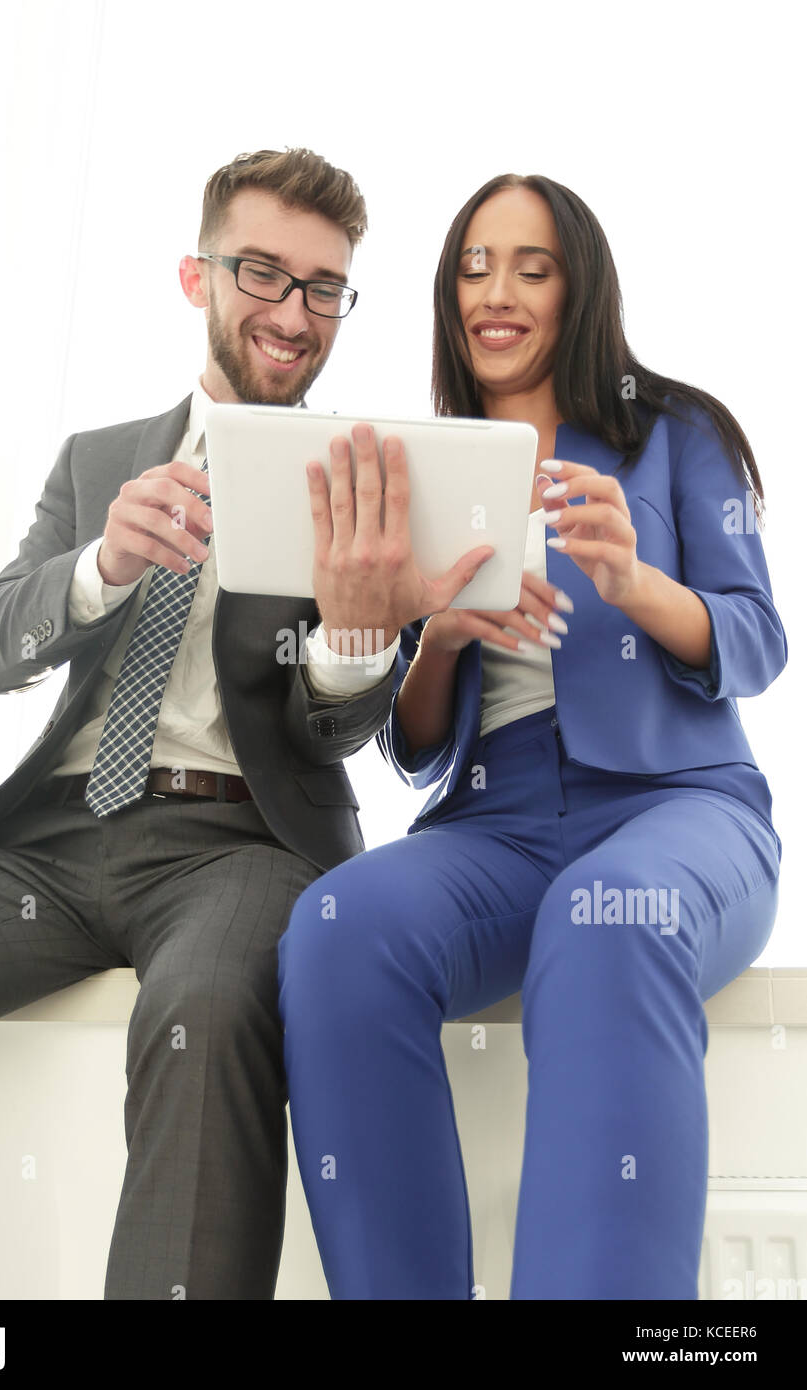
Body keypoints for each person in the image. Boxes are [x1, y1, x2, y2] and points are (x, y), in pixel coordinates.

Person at [0, 147, 491, 1302]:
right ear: (196, 278)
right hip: (48, 846)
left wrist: (354, 640)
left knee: (203, 1013)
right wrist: (98, 564)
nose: (294, 313)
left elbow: (331, 736)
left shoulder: (359, 478)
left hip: (237, 849)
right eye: (262, 272)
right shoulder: (99, 460)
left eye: (324, 287)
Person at [276, 172, 787, 1300]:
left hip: (679, 804)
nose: (493, 292)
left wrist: (637, 582)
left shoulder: (674, 436)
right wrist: (442, 639)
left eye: (528, 267)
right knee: (332, 927)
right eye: (471, 266)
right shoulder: (422, 462)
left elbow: (756, 641)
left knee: (603, 922)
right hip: (497, 821)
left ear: (577, 289)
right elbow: (410, 749)